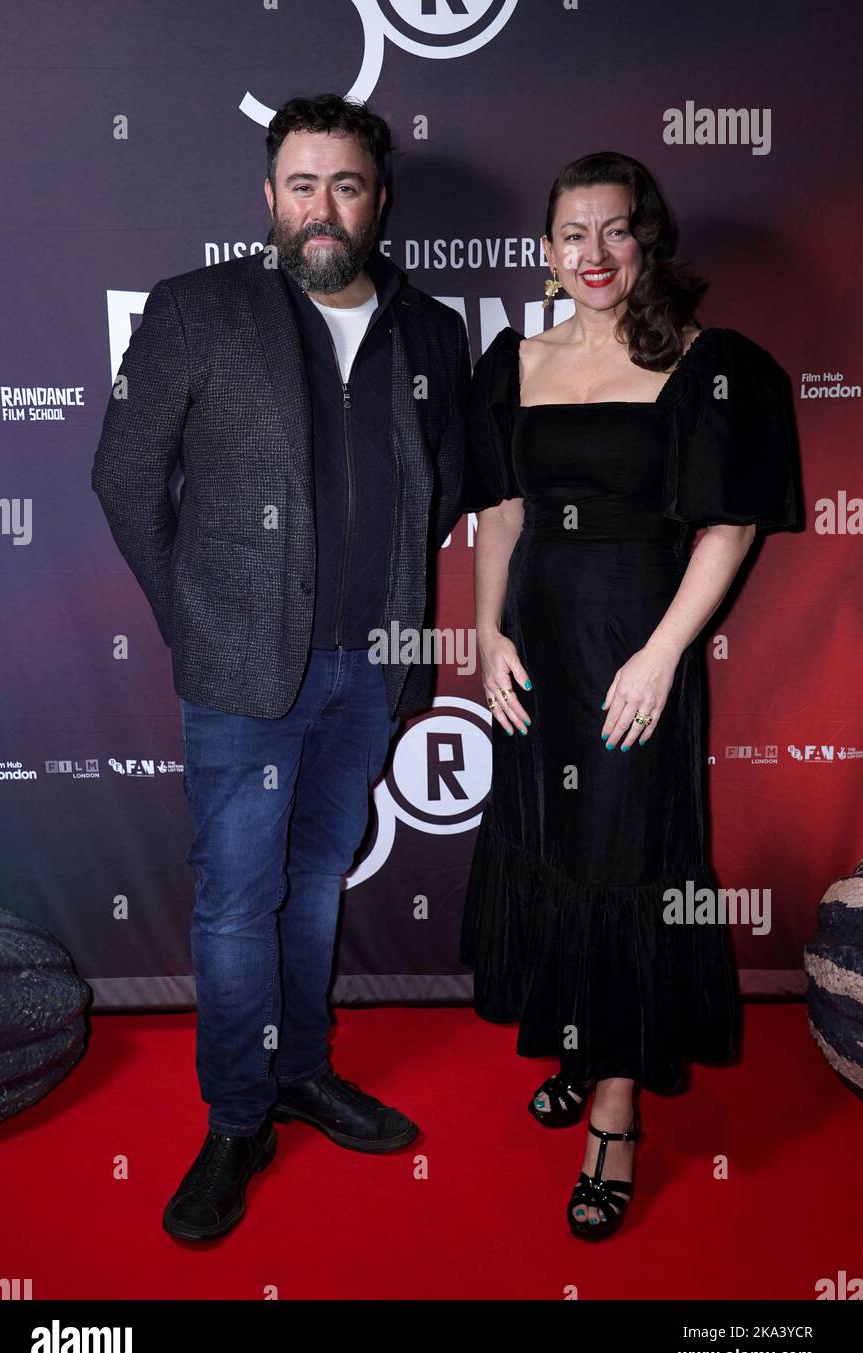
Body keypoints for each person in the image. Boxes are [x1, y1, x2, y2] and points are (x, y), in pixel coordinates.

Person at [92, 93, 470, 1241]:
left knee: (315, 885)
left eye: (345, 185)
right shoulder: (198, 310)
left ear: (378, 200)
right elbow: (125, 479)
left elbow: (442, 490)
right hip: (242, 679)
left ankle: (302, 1069)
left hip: (366, 671)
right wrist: (197, 617)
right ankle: (236, 1118)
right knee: (235, 903)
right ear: (269, 198)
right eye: (301, 185)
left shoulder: (430, 332)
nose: (323, 207)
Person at [459, 151, 800, 1241]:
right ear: (547, 251)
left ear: (645, 242)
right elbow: (503, 509)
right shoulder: (515, 358)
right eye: (572, 234)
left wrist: (660, 658)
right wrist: (482, 631)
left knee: (621, 860)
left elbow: (730, 525)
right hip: (540, 648)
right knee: (554, 843)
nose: (593, 254)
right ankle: (578, 1030)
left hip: (636, 651)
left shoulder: (709, 363)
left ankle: (616, 1112)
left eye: (615, 231)